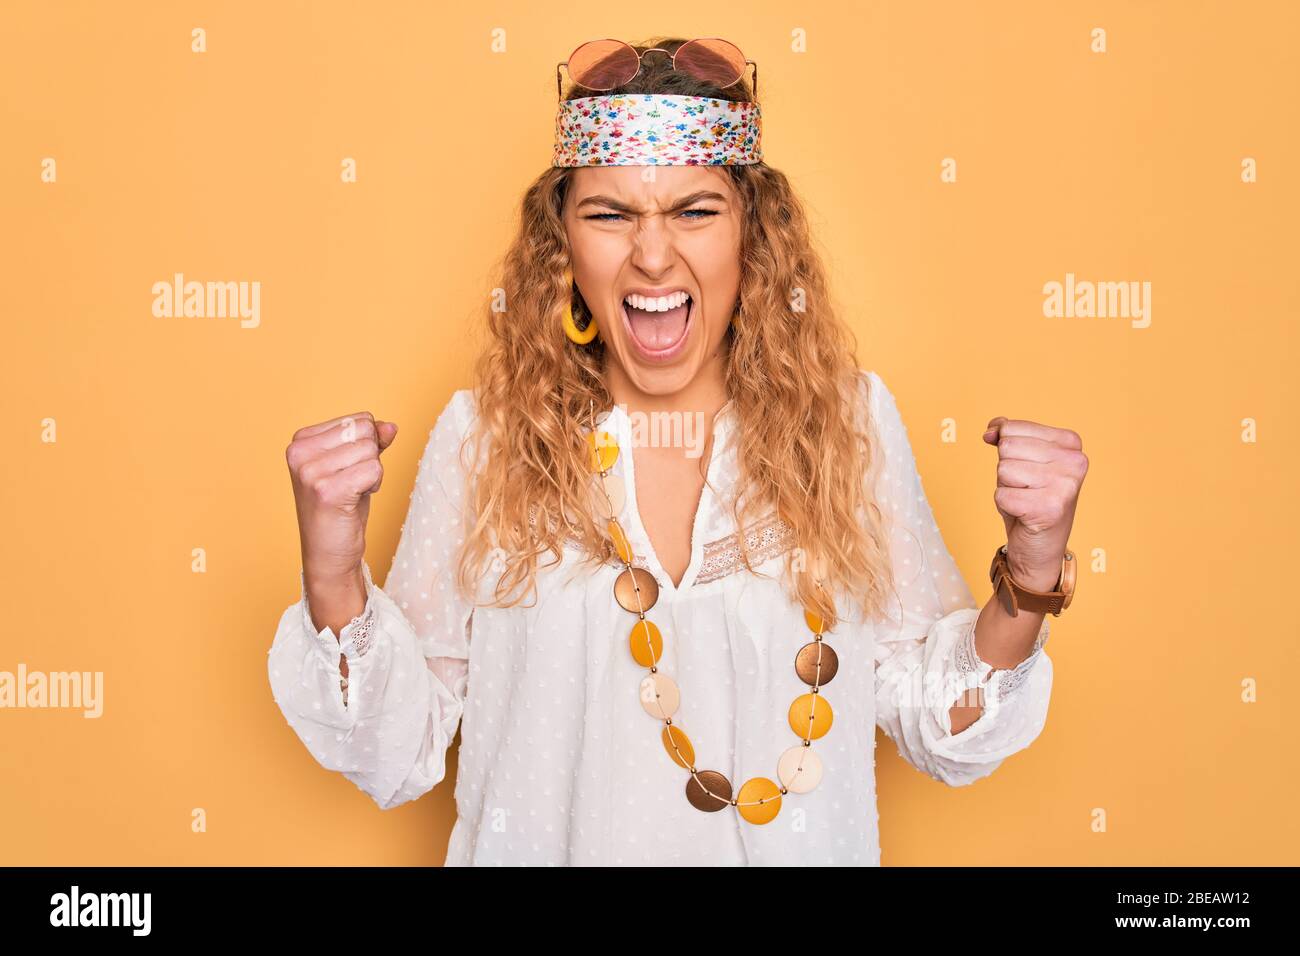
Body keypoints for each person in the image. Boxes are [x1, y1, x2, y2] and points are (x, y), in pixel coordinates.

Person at [267, 36, 1088, 866]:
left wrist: (1034, 563)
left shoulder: (851, 424)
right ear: (562, 247)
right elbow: (396, 752)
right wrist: (333, 572)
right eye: (609, 214)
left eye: (695, 211)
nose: (653, 255)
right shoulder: (486, 438)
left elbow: (940, 723)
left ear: (753, 239)